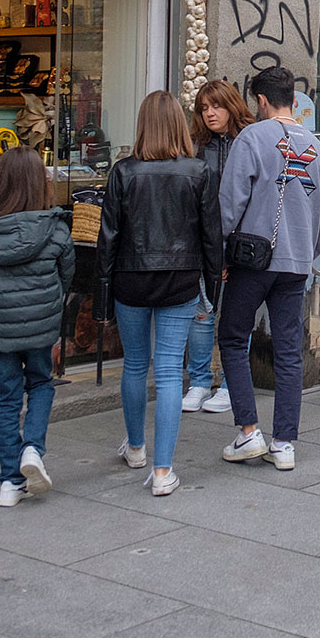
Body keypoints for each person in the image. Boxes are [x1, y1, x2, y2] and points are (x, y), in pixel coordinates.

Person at [98, 91, 223, 496]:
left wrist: (101, 291)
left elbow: (108, 238)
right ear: (178, 125)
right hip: (180, 278)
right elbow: (211, 237)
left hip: (130, 277)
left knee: (135, 365)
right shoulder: (199, 171)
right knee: (170, 370)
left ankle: (136, 448)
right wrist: (213, 287)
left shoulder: (123, 171)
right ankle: (163, 472)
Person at [218, 66, 320, 472]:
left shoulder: (252, 137)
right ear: (292, 99)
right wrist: (308, 254)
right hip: (297, 261)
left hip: (253, 258)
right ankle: (284, 443)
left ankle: (249, 431)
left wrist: (223, 252)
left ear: (262, 101)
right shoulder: (316, 148)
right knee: (288, 352)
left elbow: (230, 202)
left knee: (232, 338)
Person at [0, 146, 74, 508]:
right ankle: (33, 450)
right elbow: (66, 275)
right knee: (40, 384)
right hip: (40, 325)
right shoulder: (54, 228)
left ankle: (10, 481)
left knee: (6, 399)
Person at [183, 80, 256, 415]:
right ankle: (199, 381)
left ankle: (230, 384)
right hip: (205, 239)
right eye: (204, 107)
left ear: (232, 105)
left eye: (216, 106)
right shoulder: (197, 143)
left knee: (237, 316)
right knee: (202, 312)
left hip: (242, 239)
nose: (210, 113)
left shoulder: (250, 138)